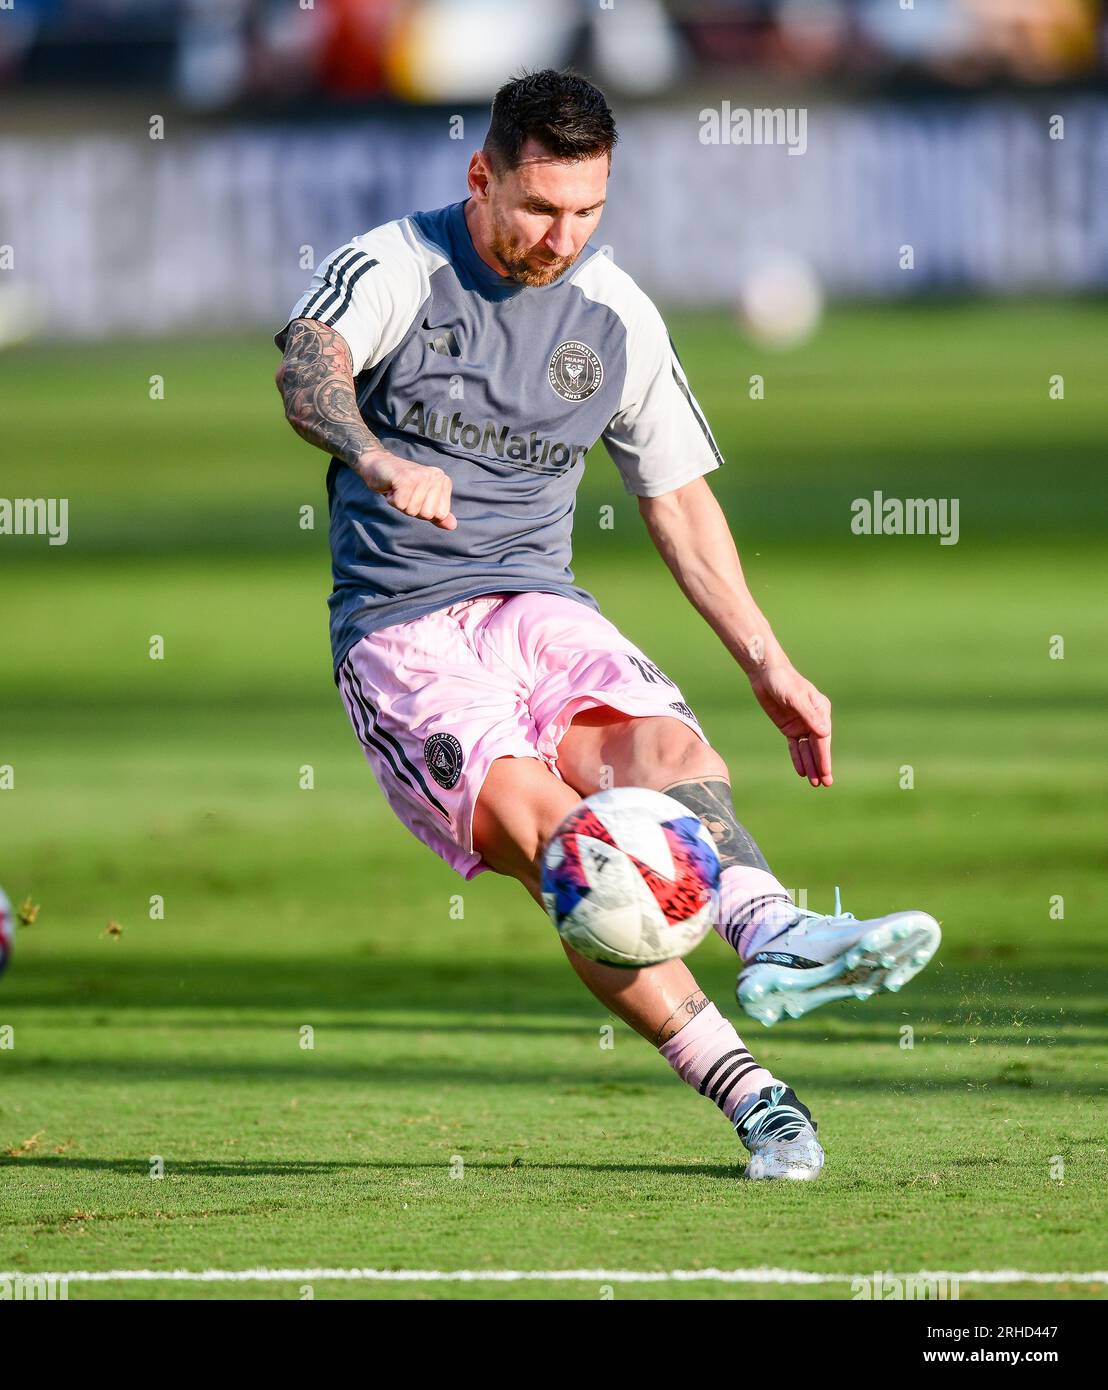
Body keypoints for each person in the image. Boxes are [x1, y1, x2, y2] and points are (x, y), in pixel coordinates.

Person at [273, 68, 940, 1180]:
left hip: (538, 604)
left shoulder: (615, 310)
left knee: (668, 752)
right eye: (539, 207)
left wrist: (769, 664)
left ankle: (775, 928)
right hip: (403, 630)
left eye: (587, 210)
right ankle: (759, 1099)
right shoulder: (395, 264)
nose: (561, 237)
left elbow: (677, 499)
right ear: (481, 176)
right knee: (573, 858)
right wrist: (374, 456)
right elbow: (308, 367)